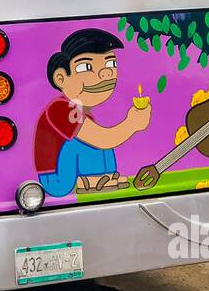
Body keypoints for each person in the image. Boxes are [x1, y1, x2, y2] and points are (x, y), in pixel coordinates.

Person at [33, 28, 152, 197]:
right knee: (90, 141)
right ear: (61, 78)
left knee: (97, 139)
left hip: (66, 173)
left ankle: (104, 178)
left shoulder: (79, 111)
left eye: (111, 64)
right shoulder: (58, 109)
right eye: (86, 66)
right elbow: (103, 139)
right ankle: (92, 180)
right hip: (56, 180)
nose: (105, 73)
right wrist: (132, 124)